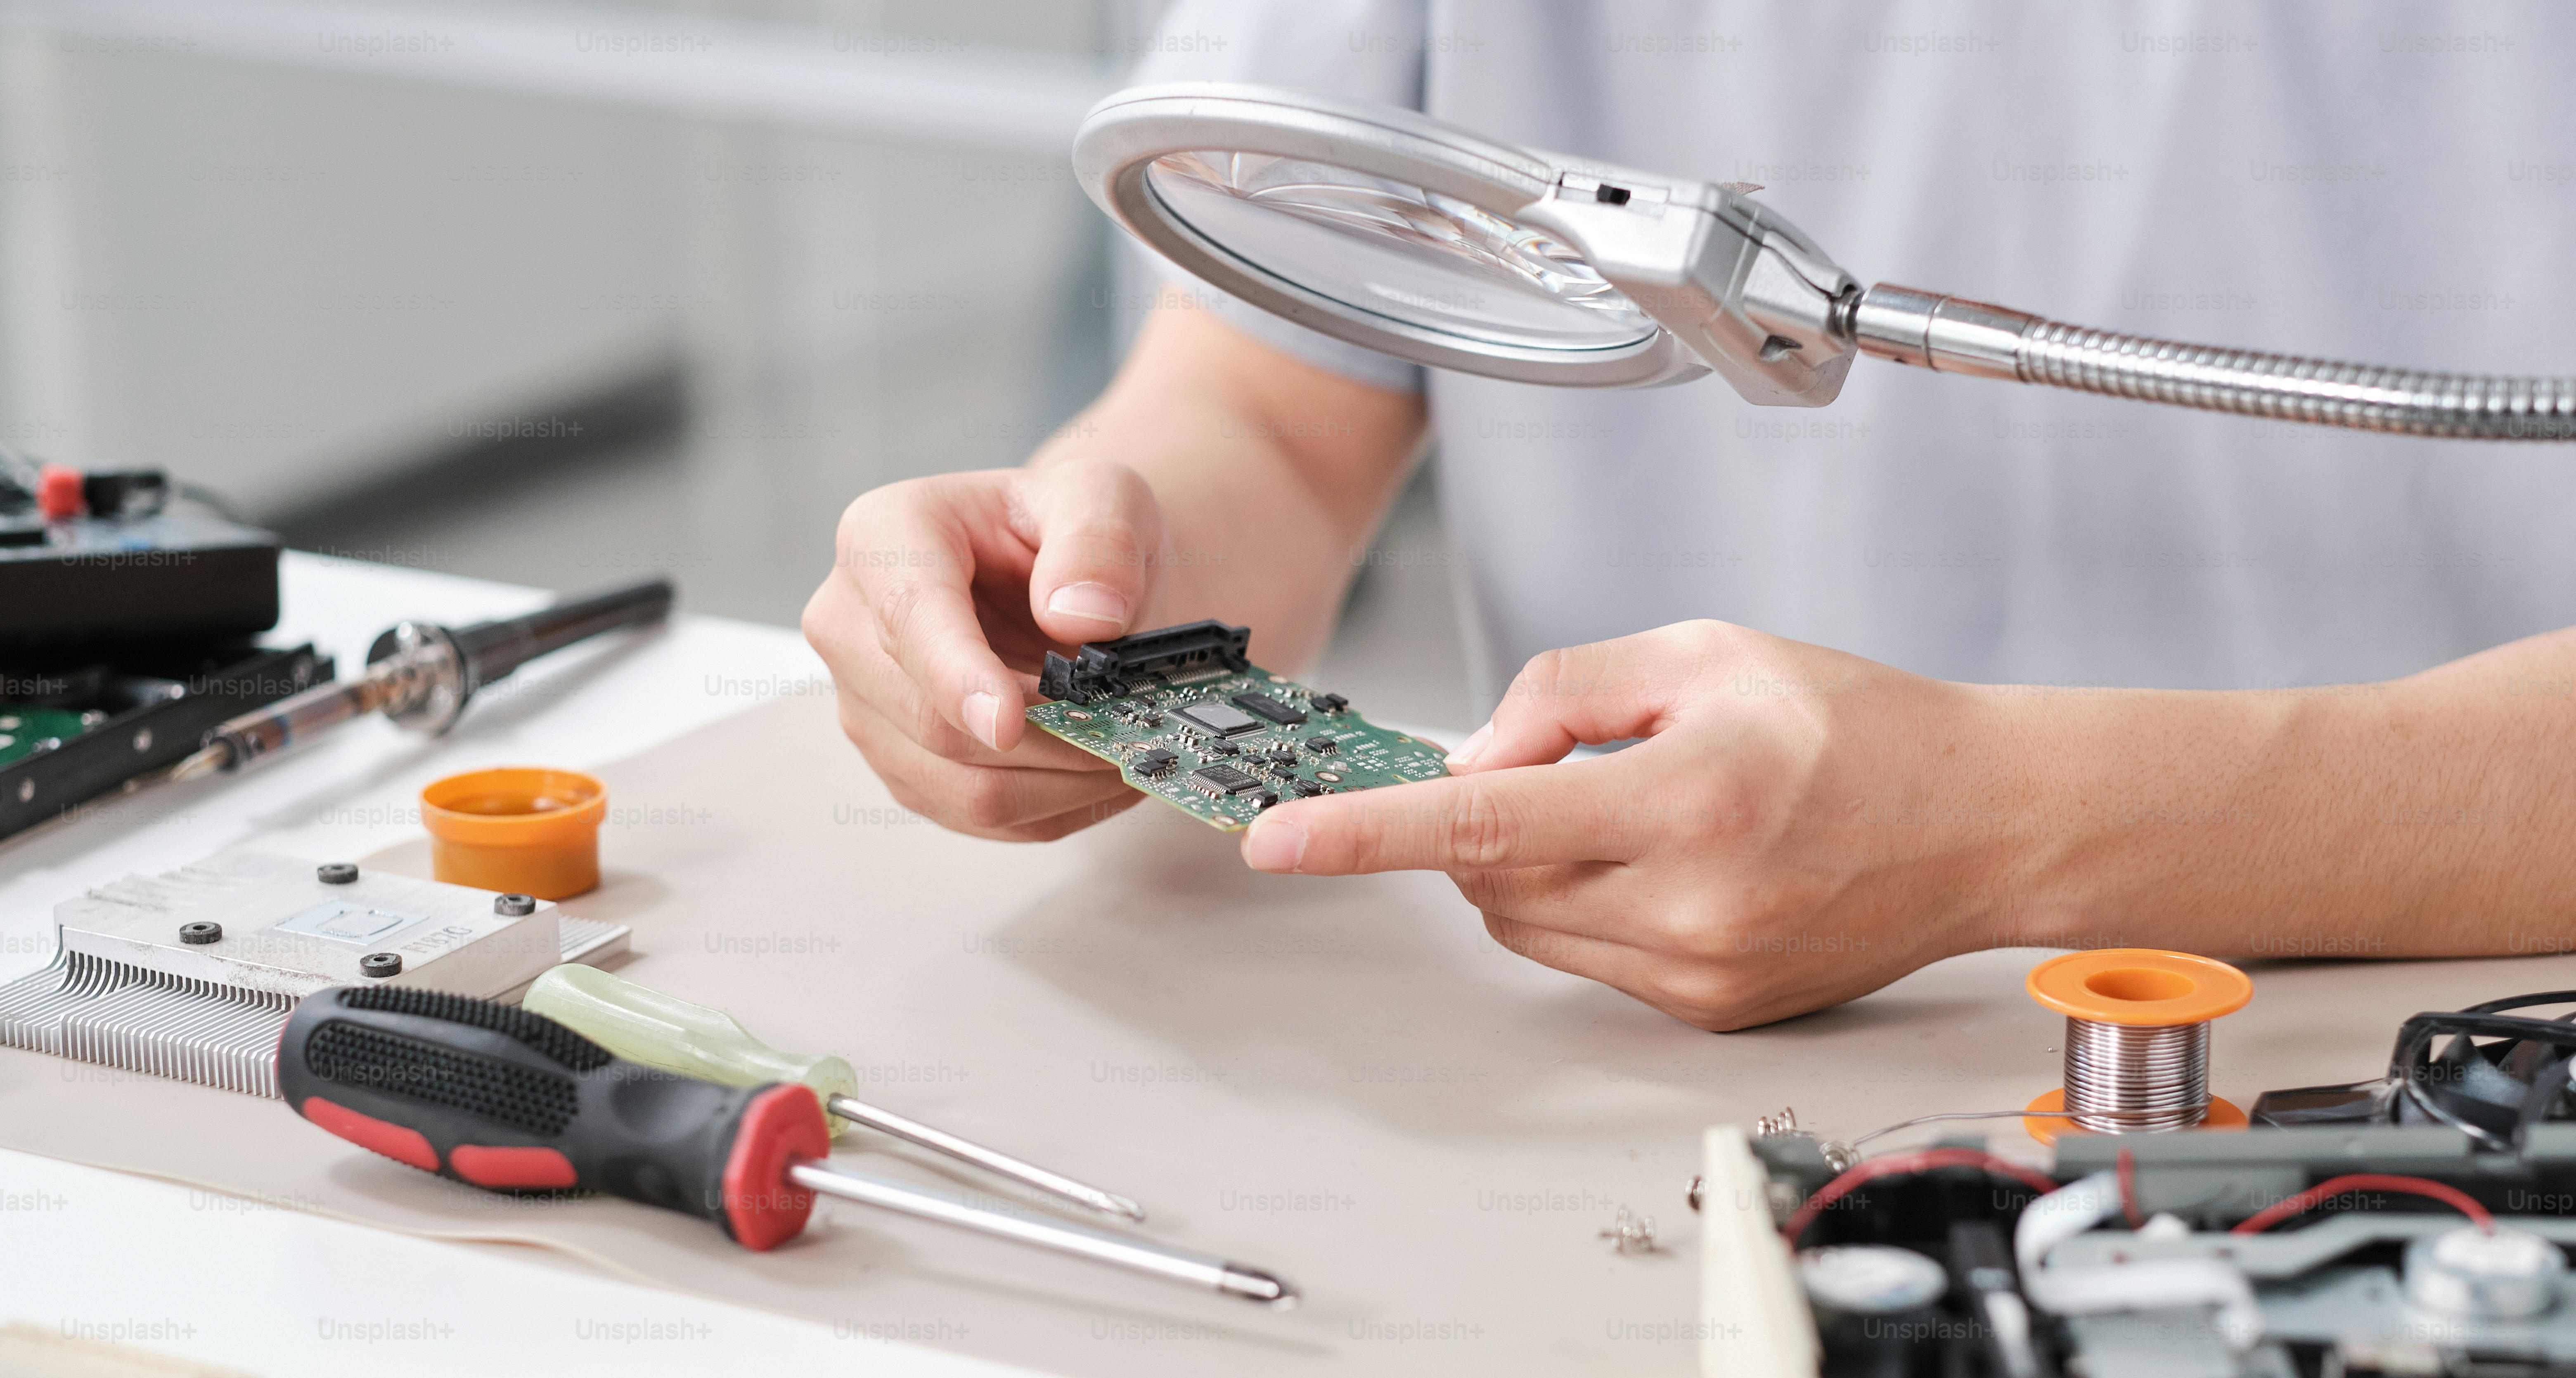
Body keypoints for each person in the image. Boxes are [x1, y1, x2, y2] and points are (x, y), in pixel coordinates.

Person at [803, 1, 2576, 1031]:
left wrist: (2018, 826)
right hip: (1634, 1071)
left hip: (2455, 1051)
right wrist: (1101, 576)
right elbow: (1271, 392)